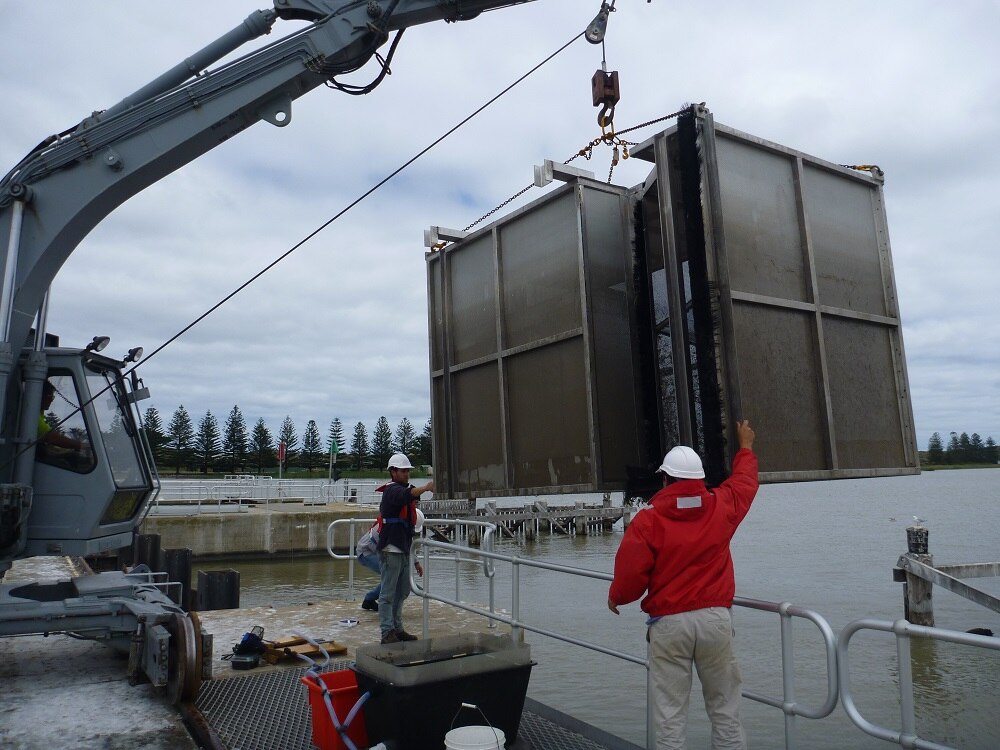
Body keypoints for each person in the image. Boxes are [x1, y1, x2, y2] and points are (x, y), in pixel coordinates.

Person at [608, 420, 759, 750]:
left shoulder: (648, 519)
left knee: (671, 719)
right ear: (700, 479)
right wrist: (745, 448)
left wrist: (616, 597)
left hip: (669, 626)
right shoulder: (720, 507)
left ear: (665, 478)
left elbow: (631, 575)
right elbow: (745, 485)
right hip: (715, 623)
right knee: (726, 714)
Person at [377, 453, 433, 644]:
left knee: (402, 592)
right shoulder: (392, 491)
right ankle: (387, 632)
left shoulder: (403, 489)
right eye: (403, 471)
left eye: (408, 471)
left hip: (403, 548)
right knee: (387, 594)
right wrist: (425, 488)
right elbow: (405, 495)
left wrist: (415, 560)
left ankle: (397, 629)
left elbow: (408, 497)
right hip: (390, 548)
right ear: (393, 472)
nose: (406, 474)